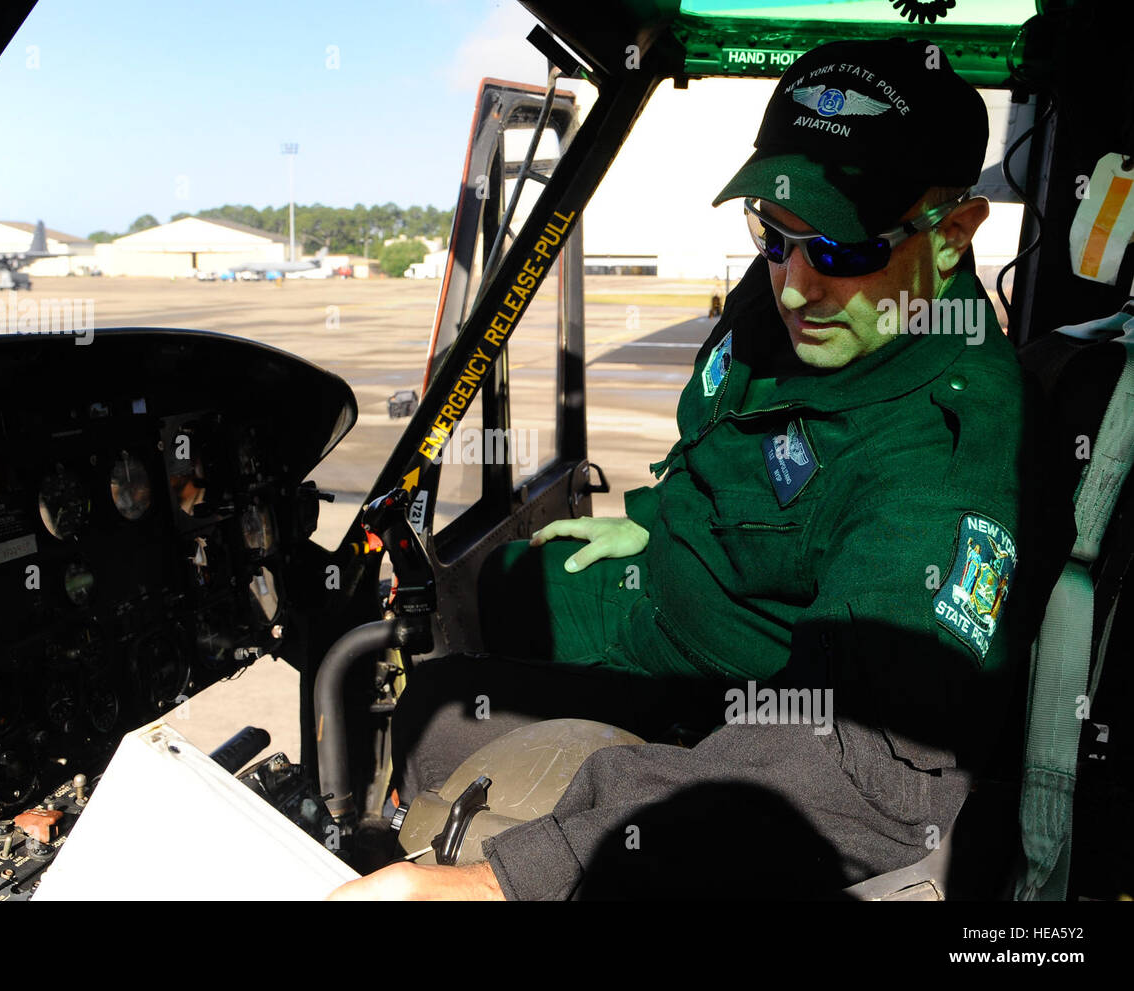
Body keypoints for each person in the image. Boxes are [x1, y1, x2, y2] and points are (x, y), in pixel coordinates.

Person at [329, 37, 1072, 900]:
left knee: (443, 720)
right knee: (472, 598)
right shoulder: (800, 302)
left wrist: (506, 882)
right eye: (773, 234)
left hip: (741, 710)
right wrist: (653, 514)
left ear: (951, 237)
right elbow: (726, 440)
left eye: (838, 250)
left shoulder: (949, 444)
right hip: (660, 590)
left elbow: (864, 761)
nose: (796, 285)